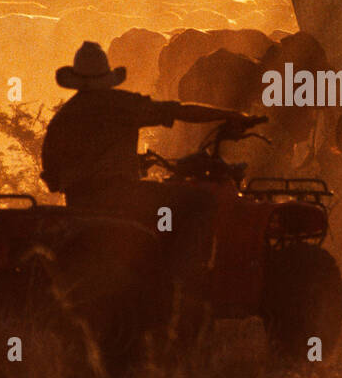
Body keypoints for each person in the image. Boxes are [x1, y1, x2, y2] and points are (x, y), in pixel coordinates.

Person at [40, 41, 260, 266]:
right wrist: (231, 115)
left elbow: (52, 179)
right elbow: (179, 111)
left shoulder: (63, 118)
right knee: (200, 201)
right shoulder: (122, 105)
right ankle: (188, 276)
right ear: (106, 77)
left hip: (78, 202)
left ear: (77, 79)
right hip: (123, 195)